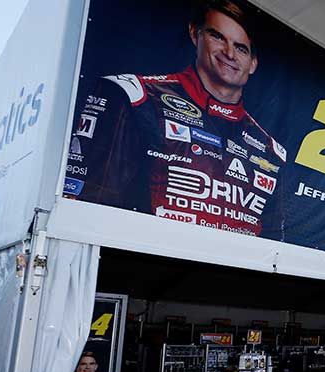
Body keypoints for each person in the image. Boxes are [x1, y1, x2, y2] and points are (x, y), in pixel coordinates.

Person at [64, 0, 286, 238]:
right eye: (218, 37)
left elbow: (272, 244)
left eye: (241, 48)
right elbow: (89, 210)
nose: (229, 54)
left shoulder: (270, 150)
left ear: (252, 64)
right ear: (195, 34)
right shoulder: (136, 96)